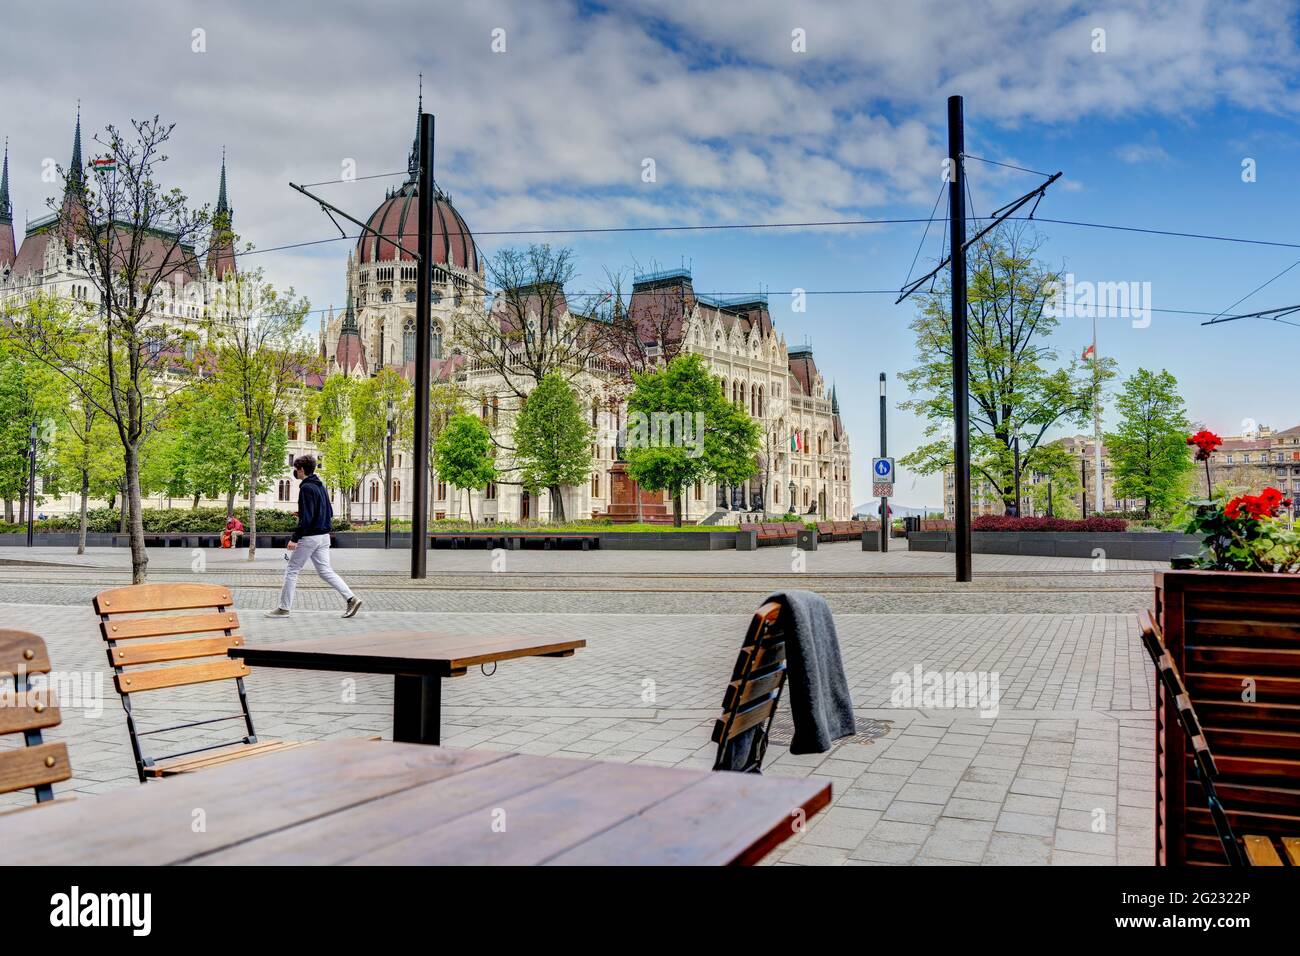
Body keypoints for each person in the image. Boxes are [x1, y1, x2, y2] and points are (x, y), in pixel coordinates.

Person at [266, 455, 362, 619]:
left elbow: (308, 519)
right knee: (325, 571)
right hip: (324, 537)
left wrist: (294, 538)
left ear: (301, 470)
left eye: (296, 469)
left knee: (292, 570)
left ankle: (283, 608)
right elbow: (328, 512)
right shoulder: (320, 486)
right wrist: (303, 513)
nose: (295, 472)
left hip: (310, 537)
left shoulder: (306, 488)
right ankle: (351, 598)